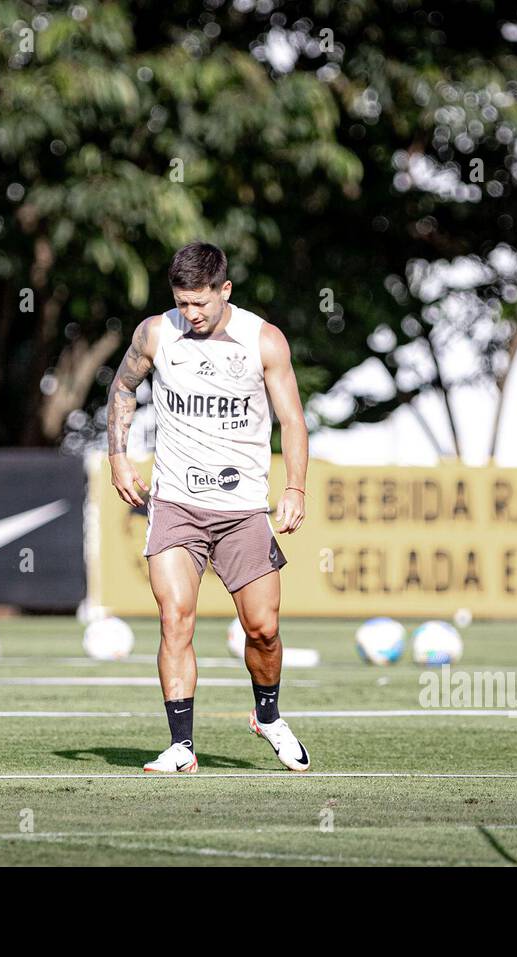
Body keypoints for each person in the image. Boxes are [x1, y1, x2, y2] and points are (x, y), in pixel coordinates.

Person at [107, 241, 311, 773]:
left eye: (201, 302)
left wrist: (295, 489)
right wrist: (118, 457)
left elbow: (292, 420)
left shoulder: (264, 340)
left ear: (225, 290)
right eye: (182, 301)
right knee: (176, 618)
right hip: (175, 501)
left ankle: (267, 715)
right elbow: (123, 387)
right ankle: (181, 745)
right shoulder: (155, 333)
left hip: (243, 508)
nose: (191, 313)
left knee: (262, 628)